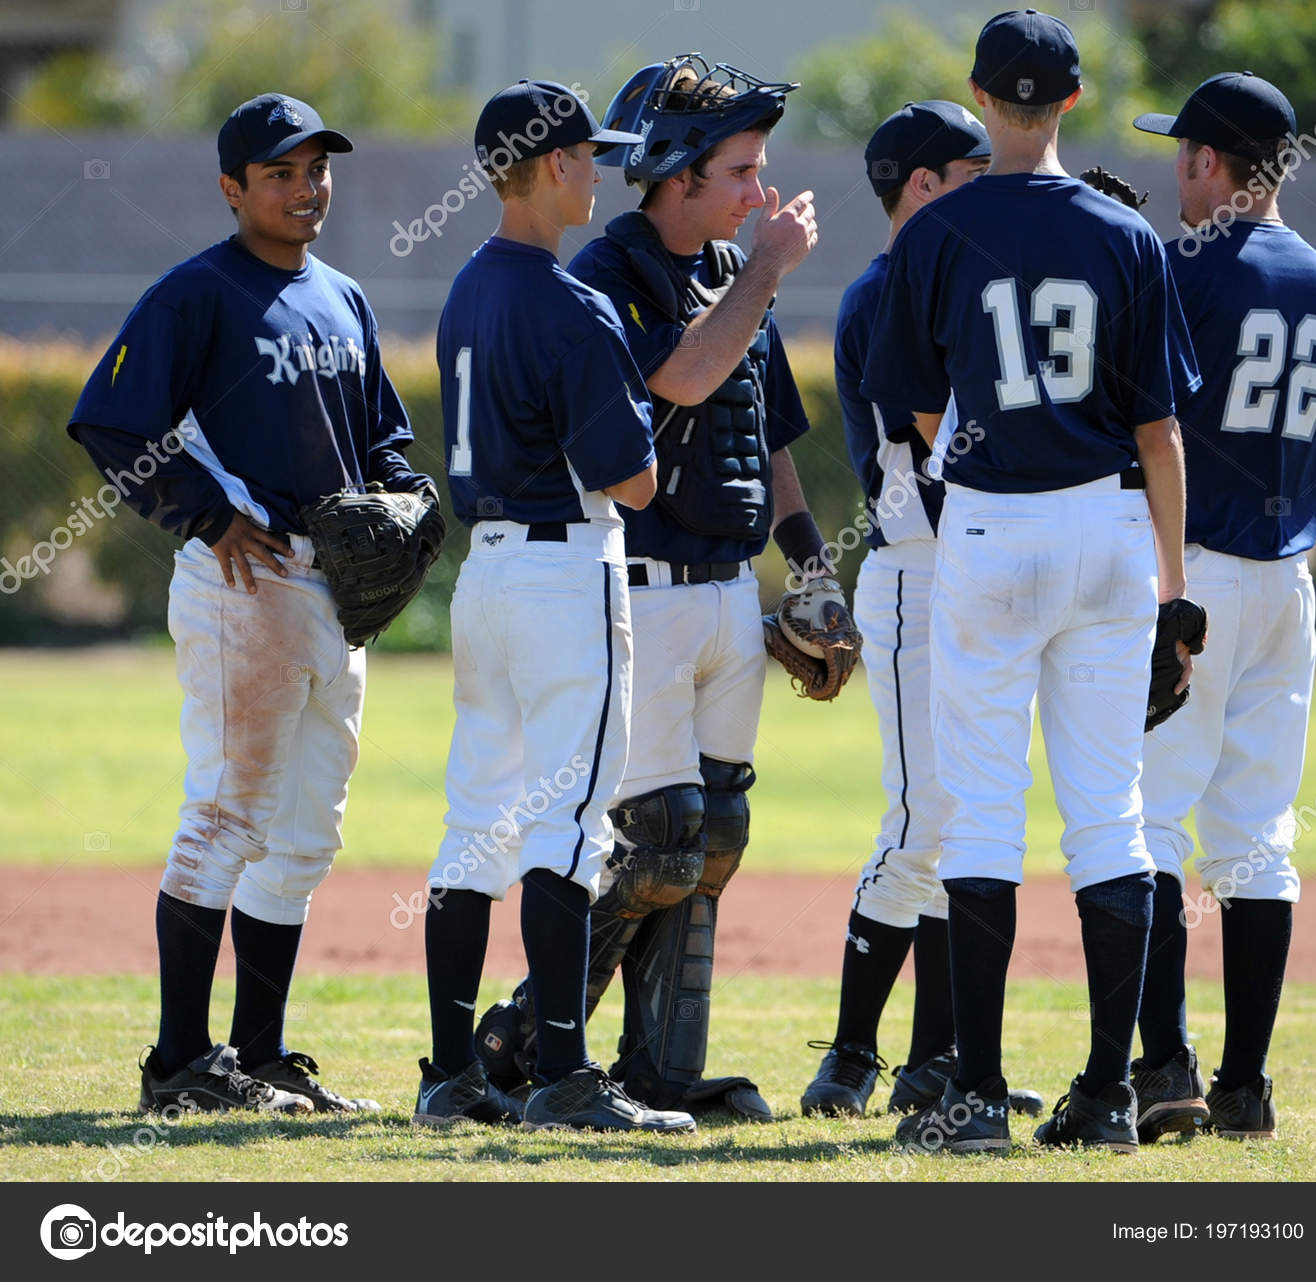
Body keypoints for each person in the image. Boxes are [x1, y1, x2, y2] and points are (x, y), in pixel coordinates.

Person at [863, 10, 1200, 1154]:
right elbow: (1160, 432)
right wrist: (1174, 586)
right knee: (1112, 815)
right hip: (1111, 525)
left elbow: (916, 408)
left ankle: (977, 1094)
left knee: (981, 812)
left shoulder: (937, 231)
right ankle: (1107, 1093)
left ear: (978, 95)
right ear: (1069, 101)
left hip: (995, 526)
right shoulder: (1125, 233)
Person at [476, 54, 837, 1122]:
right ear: (675, 172)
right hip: (636, 584)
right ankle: (527, 1045)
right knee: (656, 838)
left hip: (727, 587)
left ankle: (660, 1072)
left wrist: (812, 564)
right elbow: (678, 378)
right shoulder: (607, 274)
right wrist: (766, 271)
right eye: (739, 170)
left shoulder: (733, 261)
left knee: (713, 837)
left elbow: (763, 432)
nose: (758, 195)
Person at [68, 93, 436, 1114]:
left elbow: (384, 441)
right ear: (233, 189)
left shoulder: (345, 299)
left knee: (307, 829)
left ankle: (260, 1058)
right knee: (227, 816)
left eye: (317, 167)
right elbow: (109, 417)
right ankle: (179, 1066)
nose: (305, 186)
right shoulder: (199, 294)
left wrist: (405, 493)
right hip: (247, 579)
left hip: (332, 586)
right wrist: (201, 512)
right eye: (280, 172)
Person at [409, 80, 693, 1135]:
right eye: (589, 155)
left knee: (475, 824)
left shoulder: (470, 288)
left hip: (485, 578)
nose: (600, 171)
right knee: (570, 826)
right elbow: (634, 480)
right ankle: (567, 1075)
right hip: (564, 568)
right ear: (557, 165)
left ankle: (449, 1075)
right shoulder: (571, 302)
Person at [798, 101, 1040, 1122]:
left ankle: (934, 1062)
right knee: (920, 821)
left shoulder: (969, 280)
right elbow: (949, 451)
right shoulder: (883, 292)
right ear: (923, 185)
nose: (992, 186)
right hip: (918, 571)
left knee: (971, 819)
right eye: (971, 171)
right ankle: (850, 1056)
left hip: (986, 574)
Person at [1128, 73, 1316, 1142]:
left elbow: (1138, 419)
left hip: (1196, 575)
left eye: (1184, 153)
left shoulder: (1184, 269)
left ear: (1210, 162)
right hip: (1284, 582)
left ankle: (1163, 1064)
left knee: (1148, 819)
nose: (1176, 169)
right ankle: (1245, 1085)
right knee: (1257, 835)